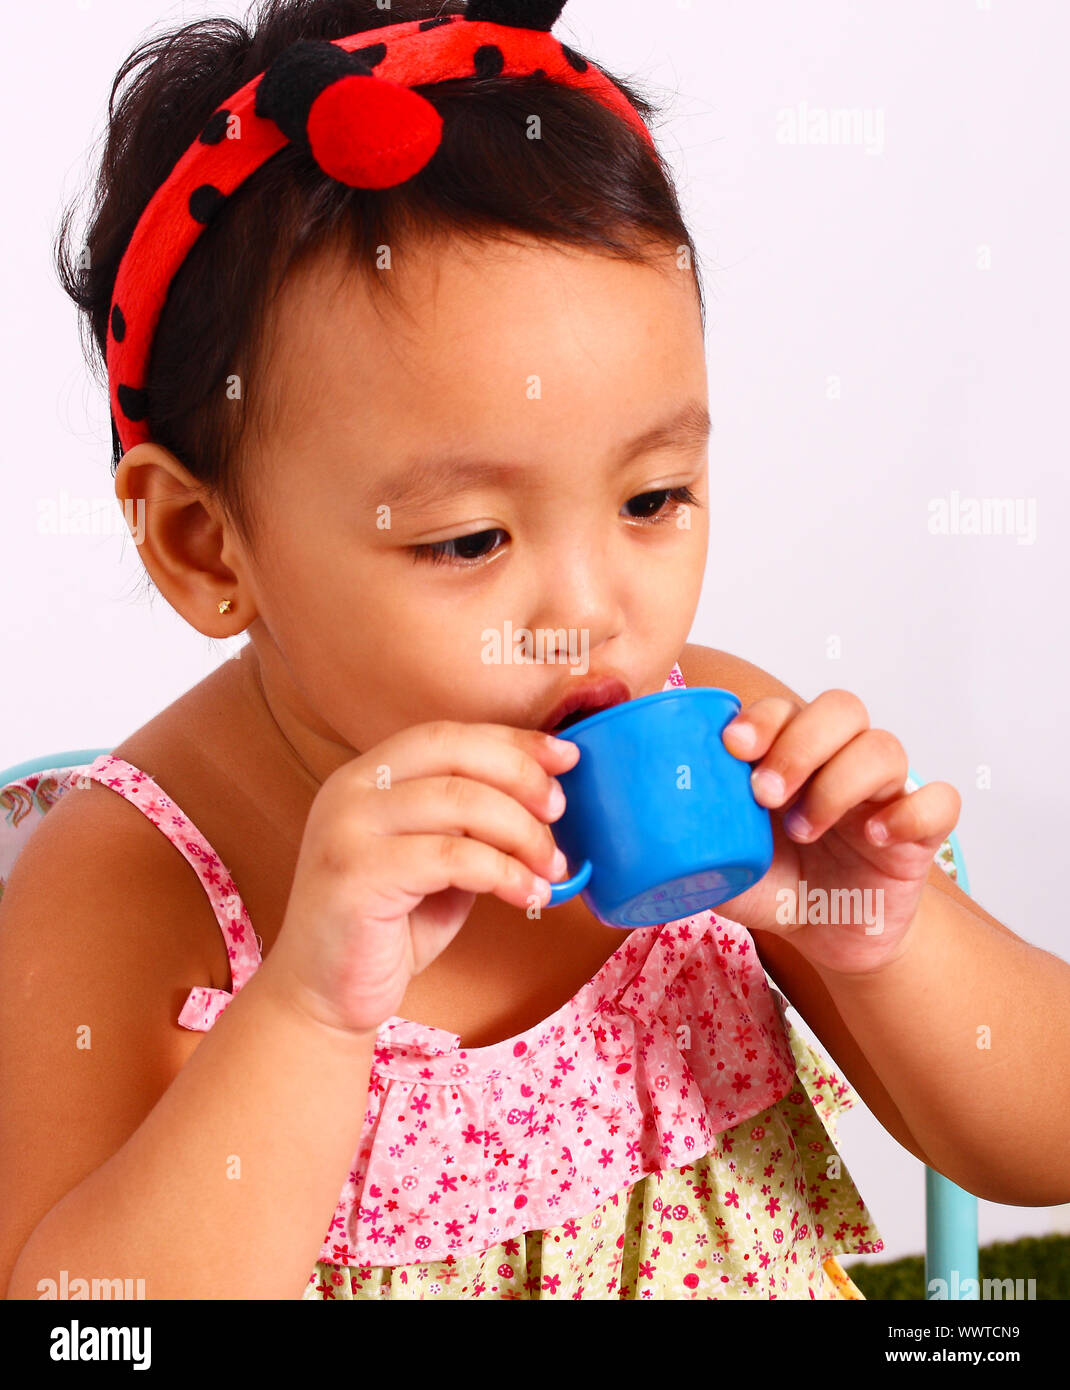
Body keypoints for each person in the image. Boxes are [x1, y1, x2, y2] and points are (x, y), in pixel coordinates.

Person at [2, 0, 1066, 1302]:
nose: (592, 610)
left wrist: (870, 933)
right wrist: (306, 1016)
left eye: (650, 499)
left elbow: (1040, 1143)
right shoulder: (126, 880)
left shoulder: (728, 734)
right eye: (466, 539)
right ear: (205, 546)